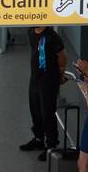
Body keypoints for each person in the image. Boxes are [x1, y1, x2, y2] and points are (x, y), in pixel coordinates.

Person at [20, 26, 66, 157]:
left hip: (48, 80)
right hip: (35, 78)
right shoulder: (30, 31)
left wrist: (60, 74)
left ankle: (51, 145)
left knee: (47, 112)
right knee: (35, 109)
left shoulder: (52, 36)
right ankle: (38, 138)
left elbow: (62, 57)